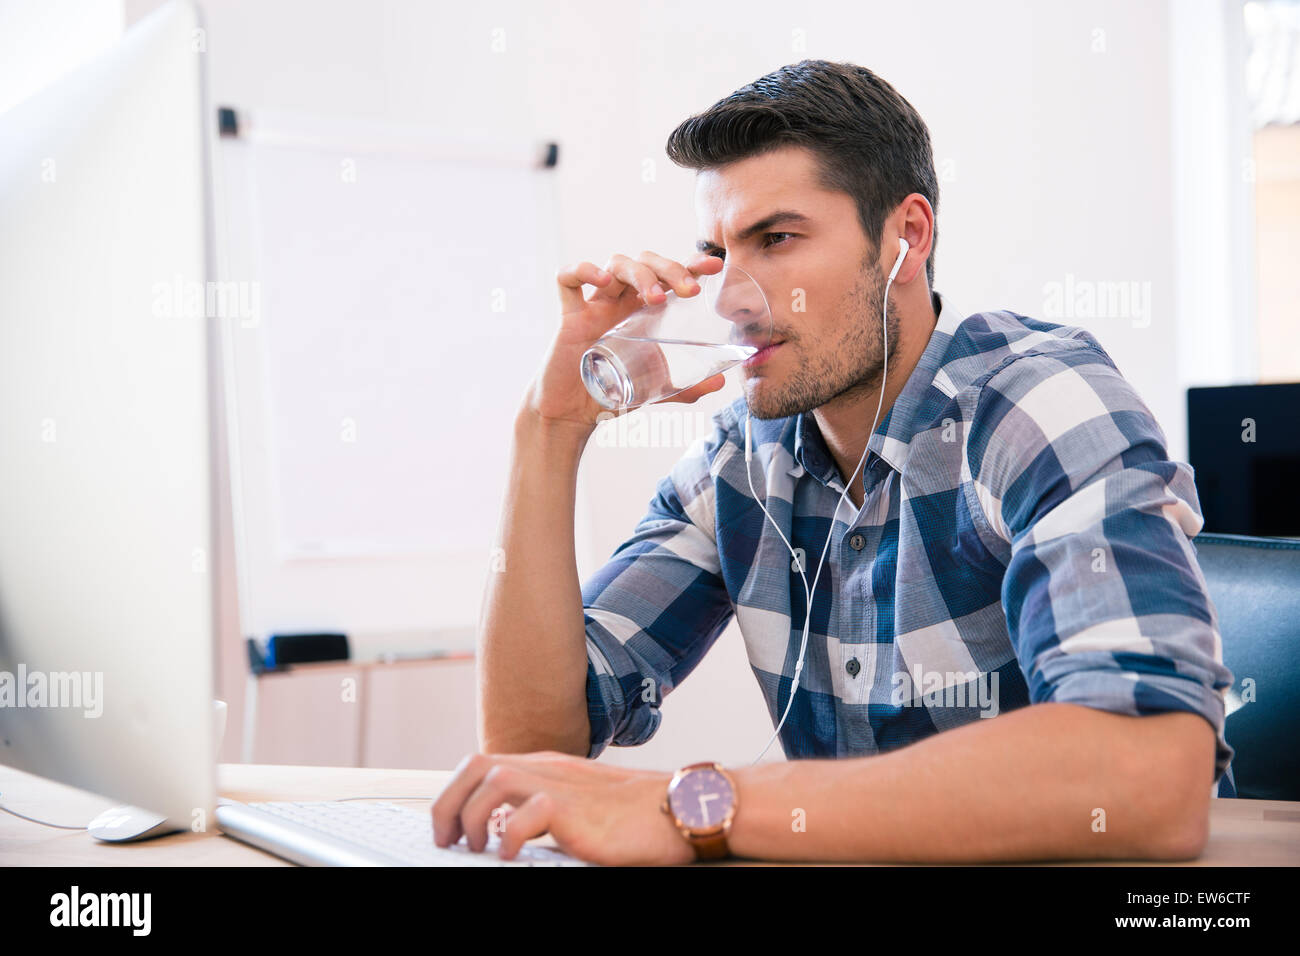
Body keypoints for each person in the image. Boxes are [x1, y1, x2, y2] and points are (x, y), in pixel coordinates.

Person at [433, 59, 1235, 865]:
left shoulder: (1034, 405)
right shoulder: (743, 463)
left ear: (906, 239)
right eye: (720, 253)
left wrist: (692, 809)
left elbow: (1150, 777)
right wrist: (551, 423)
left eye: (777, 240)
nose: (731, 300)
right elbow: (536, 745)